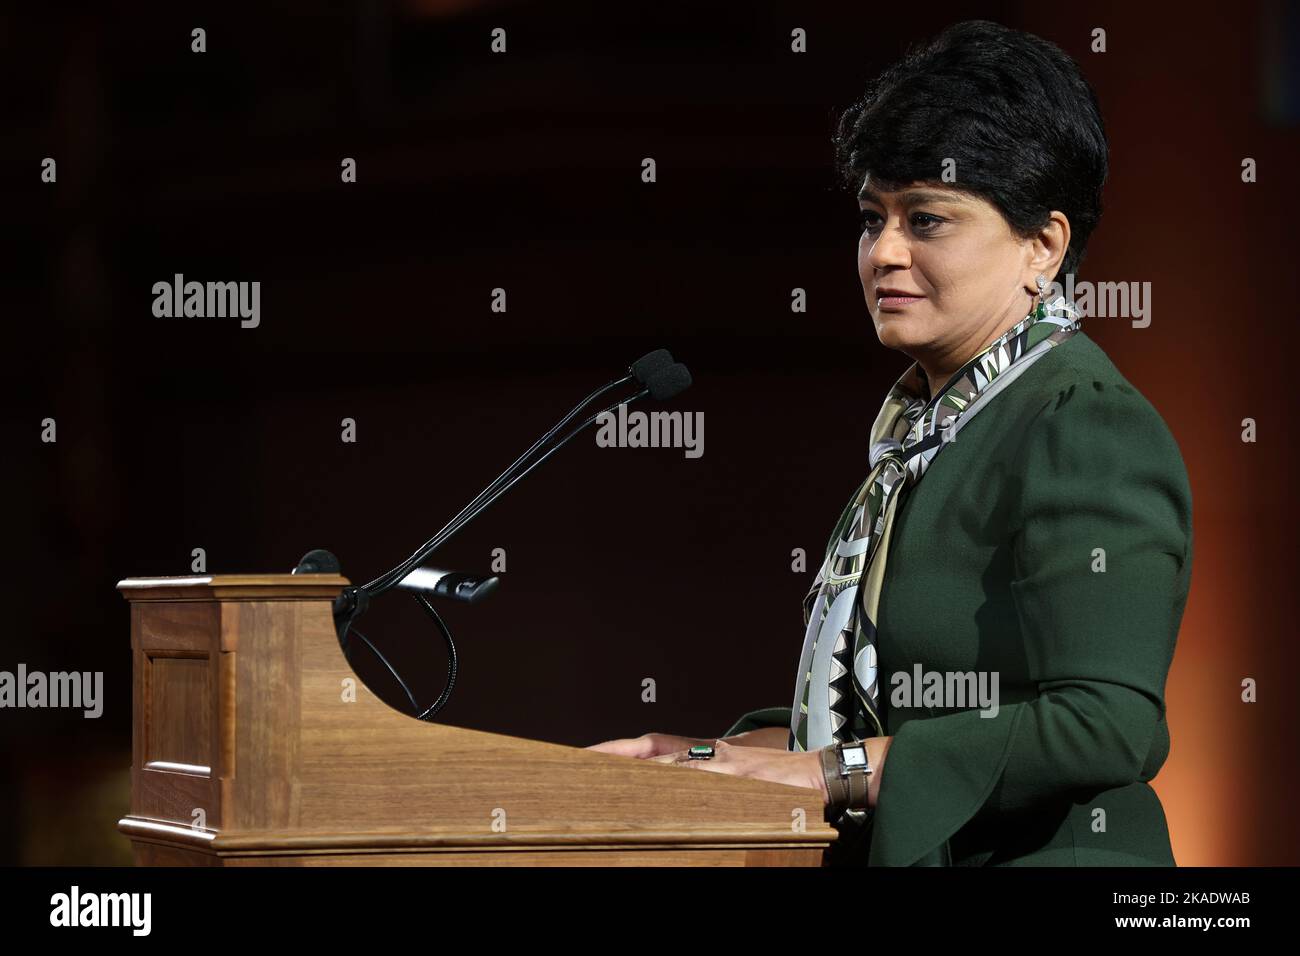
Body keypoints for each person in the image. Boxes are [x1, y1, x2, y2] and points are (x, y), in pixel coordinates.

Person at [587, 19, 1192, 866]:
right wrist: (703, 760)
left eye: (928, 220)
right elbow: (886, 725)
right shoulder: (930, 430)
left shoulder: (1078, 419)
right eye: (874, 219)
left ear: (1042, 246)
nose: (885, 254)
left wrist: (831, 774)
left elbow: (1108, 726)